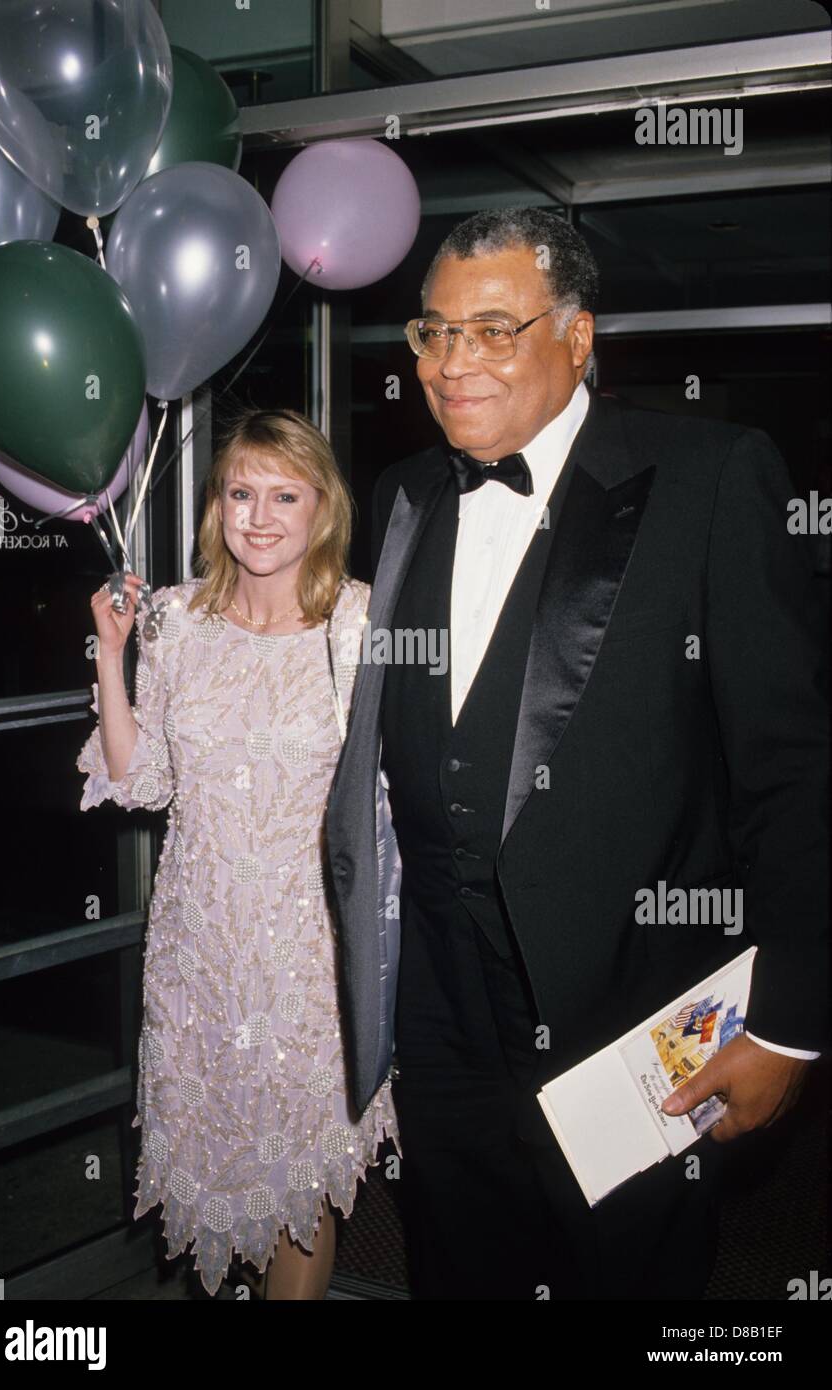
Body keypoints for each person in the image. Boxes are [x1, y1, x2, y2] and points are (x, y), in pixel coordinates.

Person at [325, 208, 829, 1300]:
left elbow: (793, 770)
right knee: (456, 1269)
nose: (452, 362)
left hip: (631, 1013)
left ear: (578, 333)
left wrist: (788, 1022)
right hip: (439, 1013)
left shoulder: (712, 476)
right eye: (432, 332)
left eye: (493, 329)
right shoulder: (405, 494)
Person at [77, 407, 399, 1299]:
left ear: (320, 509)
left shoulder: (361, 627)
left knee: (300, 1188)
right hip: (198, 959)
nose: (258, 517)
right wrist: (110, 656)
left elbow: (394, 801)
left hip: (310, 966)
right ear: (215, 506)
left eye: (283, 495)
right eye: (239, 493)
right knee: (213, 1171)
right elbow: (140, 782)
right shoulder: (175, 622)